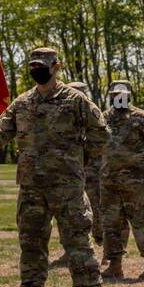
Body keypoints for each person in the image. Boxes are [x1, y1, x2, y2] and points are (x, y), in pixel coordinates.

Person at [0, 47, 106, 287]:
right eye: (32, 65)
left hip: (67, 187)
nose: (36, 69)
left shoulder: (75, 100)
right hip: (31, 187)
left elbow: (101, 133)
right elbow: (0, 131)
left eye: (42, 65)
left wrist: (79, 159)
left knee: (77, 242)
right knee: (32, 244)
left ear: (56, 66)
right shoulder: (23, 103)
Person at [99, 80, 144, 281]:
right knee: (112, 225)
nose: (119, 98)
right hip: (110, 183)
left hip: (139, 185)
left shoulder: (142, 119)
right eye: (115, 95)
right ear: (110, 96)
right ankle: (115, 266)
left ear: (129, 95)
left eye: (123, 95)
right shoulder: (103, 119)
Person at [51, 81, 104, 264]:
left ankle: (103, 250)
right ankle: (69, 250)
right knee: (69, 213)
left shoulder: (94, 115)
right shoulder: (62, 116)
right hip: (70, 174)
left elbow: (101, 141)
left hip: (95, 174)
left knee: (97, 211)